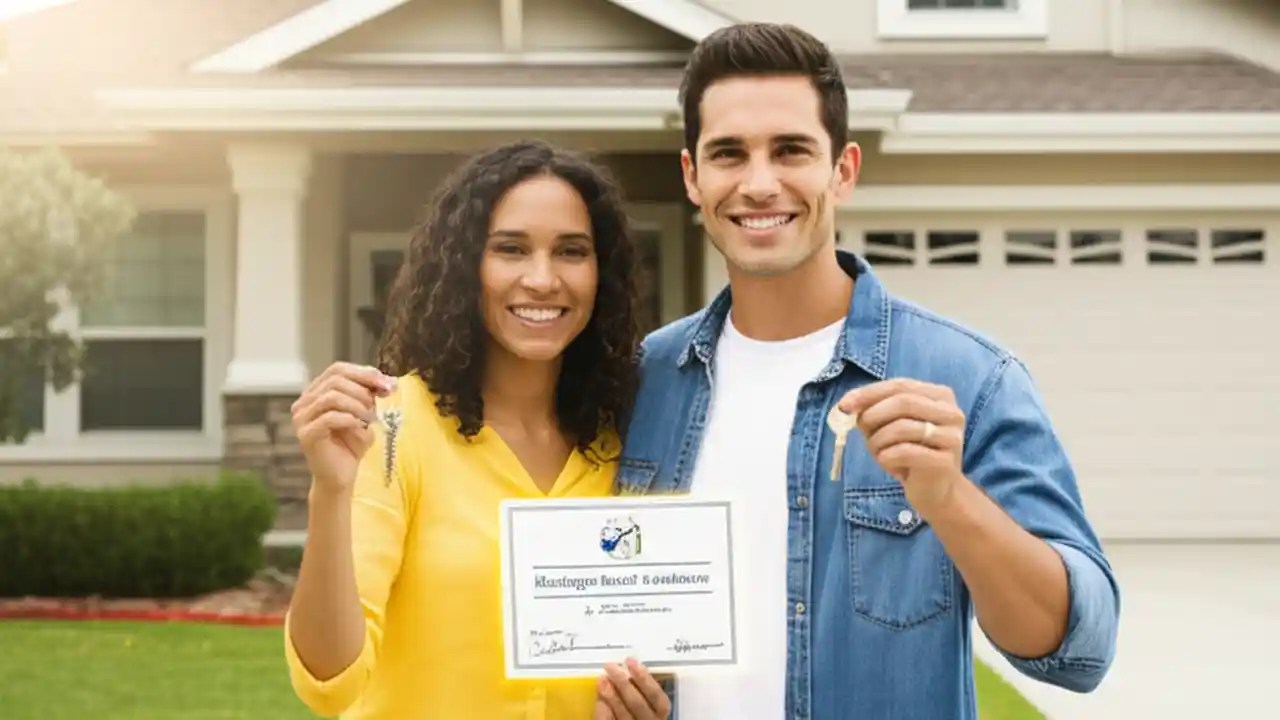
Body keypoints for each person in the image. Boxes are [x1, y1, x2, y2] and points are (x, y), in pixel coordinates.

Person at [613, 23, 1122, 720]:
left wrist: (949, 499)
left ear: (843, 170)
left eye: (791, 150)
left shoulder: (970, 378)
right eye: (729, 154)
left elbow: (1081, 648)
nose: (760, 184)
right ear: (692, 178)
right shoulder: (642, 382)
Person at [283, 140, 670, 719]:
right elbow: (329, 681)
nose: (542, 279)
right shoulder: (389, 428)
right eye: (511, 249)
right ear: (467, 266)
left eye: (571, 251)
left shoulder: (630, 442)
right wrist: (331, 493)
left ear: (601, 273)